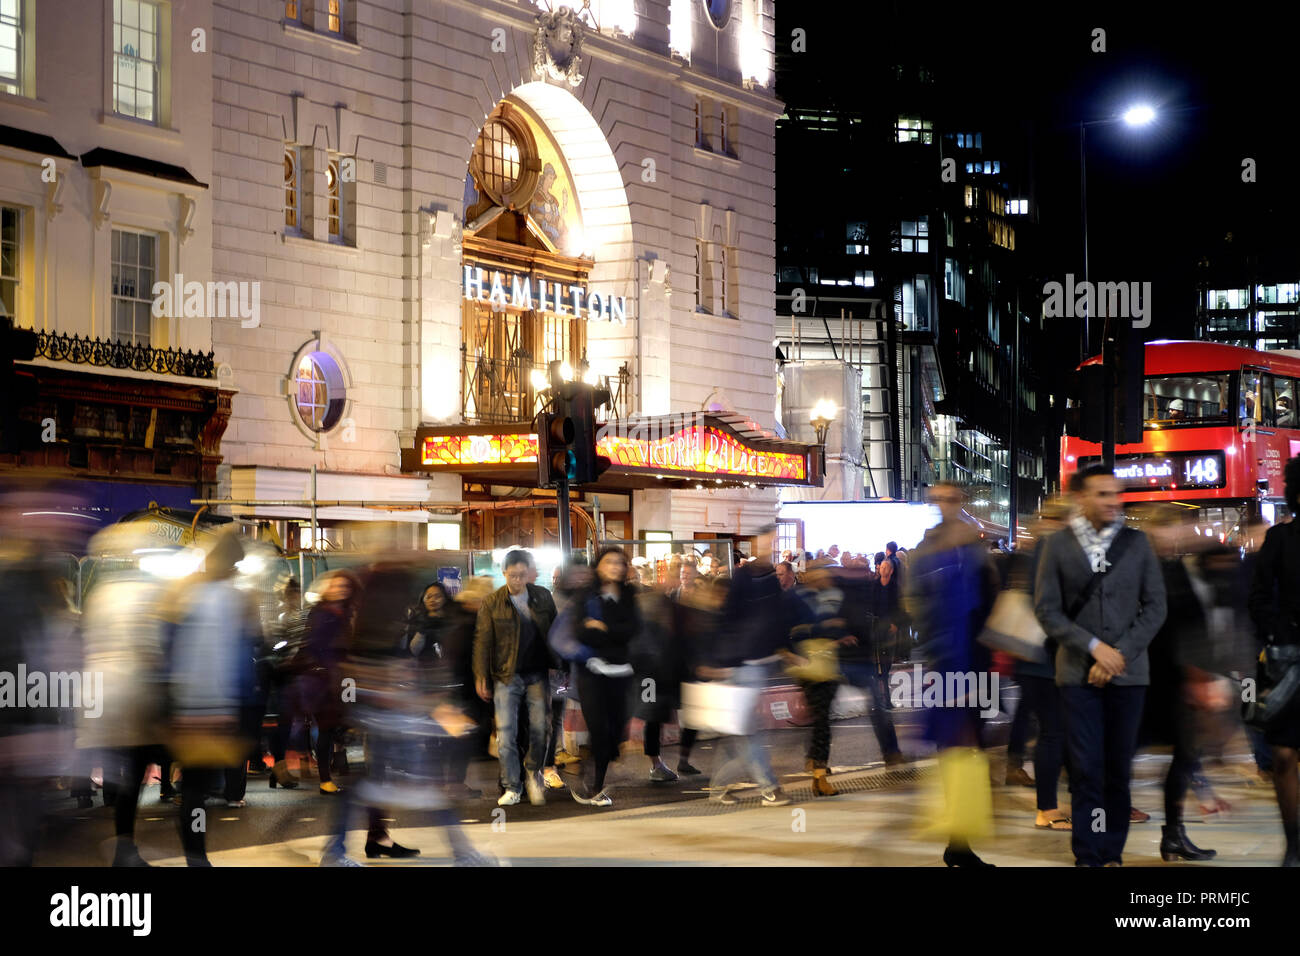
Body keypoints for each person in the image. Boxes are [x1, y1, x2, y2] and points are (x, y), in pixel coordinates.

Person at [1034, 464, 1167, 867]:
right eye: (1102, 494)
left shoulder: (1137, 543)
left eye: (1115, 494)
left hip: (1129, 675)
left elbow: (1156, 607)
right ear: (1081, 498)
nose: (1112, 501)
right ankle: (1089, 853)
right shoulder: (1057, 545)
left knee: (1116, 769)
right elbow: (1047, 610)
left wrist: (1117, 654)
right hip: (1076, 675)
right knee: (1087, 770)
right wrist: (1094, 649)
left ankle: (1112, 851)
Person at [906, 483, 1001, 867]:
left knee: (970, 746)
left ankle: (959, 840)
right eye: (940, 499)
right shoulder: (927, 554)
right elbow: (920, 614)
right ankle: (957, 840)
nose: (946, 505)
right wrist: (941, 670)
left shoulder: (973, 551)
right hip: (949, 665)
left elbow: (988, 602)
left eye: (953, 499)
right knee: (957, 748)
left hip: (975, 660)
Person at [161, 530, 264, 866]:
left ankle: (197, 854)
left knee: (196, 790)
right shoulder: (236, 598)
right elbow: (247, 651)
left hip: (189, 703)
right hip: (216, 705)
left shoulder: (184, 590)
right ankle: (197, 855)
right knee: (198, 790)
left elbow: (167, 645)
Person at [1136, 504, 1218, 862]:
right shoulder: (1153, 571)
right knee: (1175, 755)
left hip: (1173, 679)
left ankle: (1173, 834)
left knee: (1184, 756)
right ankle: (1102, 834)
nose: (1184, 534)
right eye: (1178, 526)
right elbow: (1172, 626)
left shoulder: (1173, 568)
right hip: (1159, 680)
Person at [473, 549, 557, 807]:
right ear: (504, 573)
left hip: (537, 673)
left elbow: (555, 633)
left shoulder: (542, 597)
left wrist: (559, 665)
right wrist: (481, 676)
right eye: (513, 575)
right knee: (506, 733)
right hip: (505, 675)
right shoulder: (492, 602)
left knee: (540, 728)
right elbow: (483, 641)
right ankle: (512, 786)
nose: (518, 581)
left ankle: (533, 773)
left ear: (529, 573)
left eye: (522, 575)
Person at [1248, 455, 1300, 867]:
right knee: (1283, 754)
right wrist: (1278, 634)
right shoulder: (1280, 540)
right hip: (1290, 660)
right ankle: (1294, 846)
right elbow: (1259, 597)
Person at [565, 546, 639, 806]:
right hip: (592, 672)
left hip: (622, 671)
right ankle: (595, 786)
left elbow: (632, 630)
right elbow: (579, 632)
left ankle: (596, 764)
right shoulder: (586, 595)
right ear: (598, 566)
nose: (616, 567)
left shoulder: (629, 594)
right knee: (599, 728)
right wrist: (609, 632)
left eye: (620, 563)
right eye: (610, 562)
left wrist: (602, 626)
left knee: (618, 730)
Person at [296, 571, 357, 795]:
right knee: (326, 728)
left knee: (338, 724)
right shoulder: (321, 613)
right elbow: (311, 645)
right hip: (323, 680)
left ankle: (337, 761)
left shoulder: (346, 612)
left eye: (345, 586)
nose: (341, 589)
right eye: (337, 585)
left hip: (343, 678)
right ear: (328, 588)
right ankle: (325, 778)